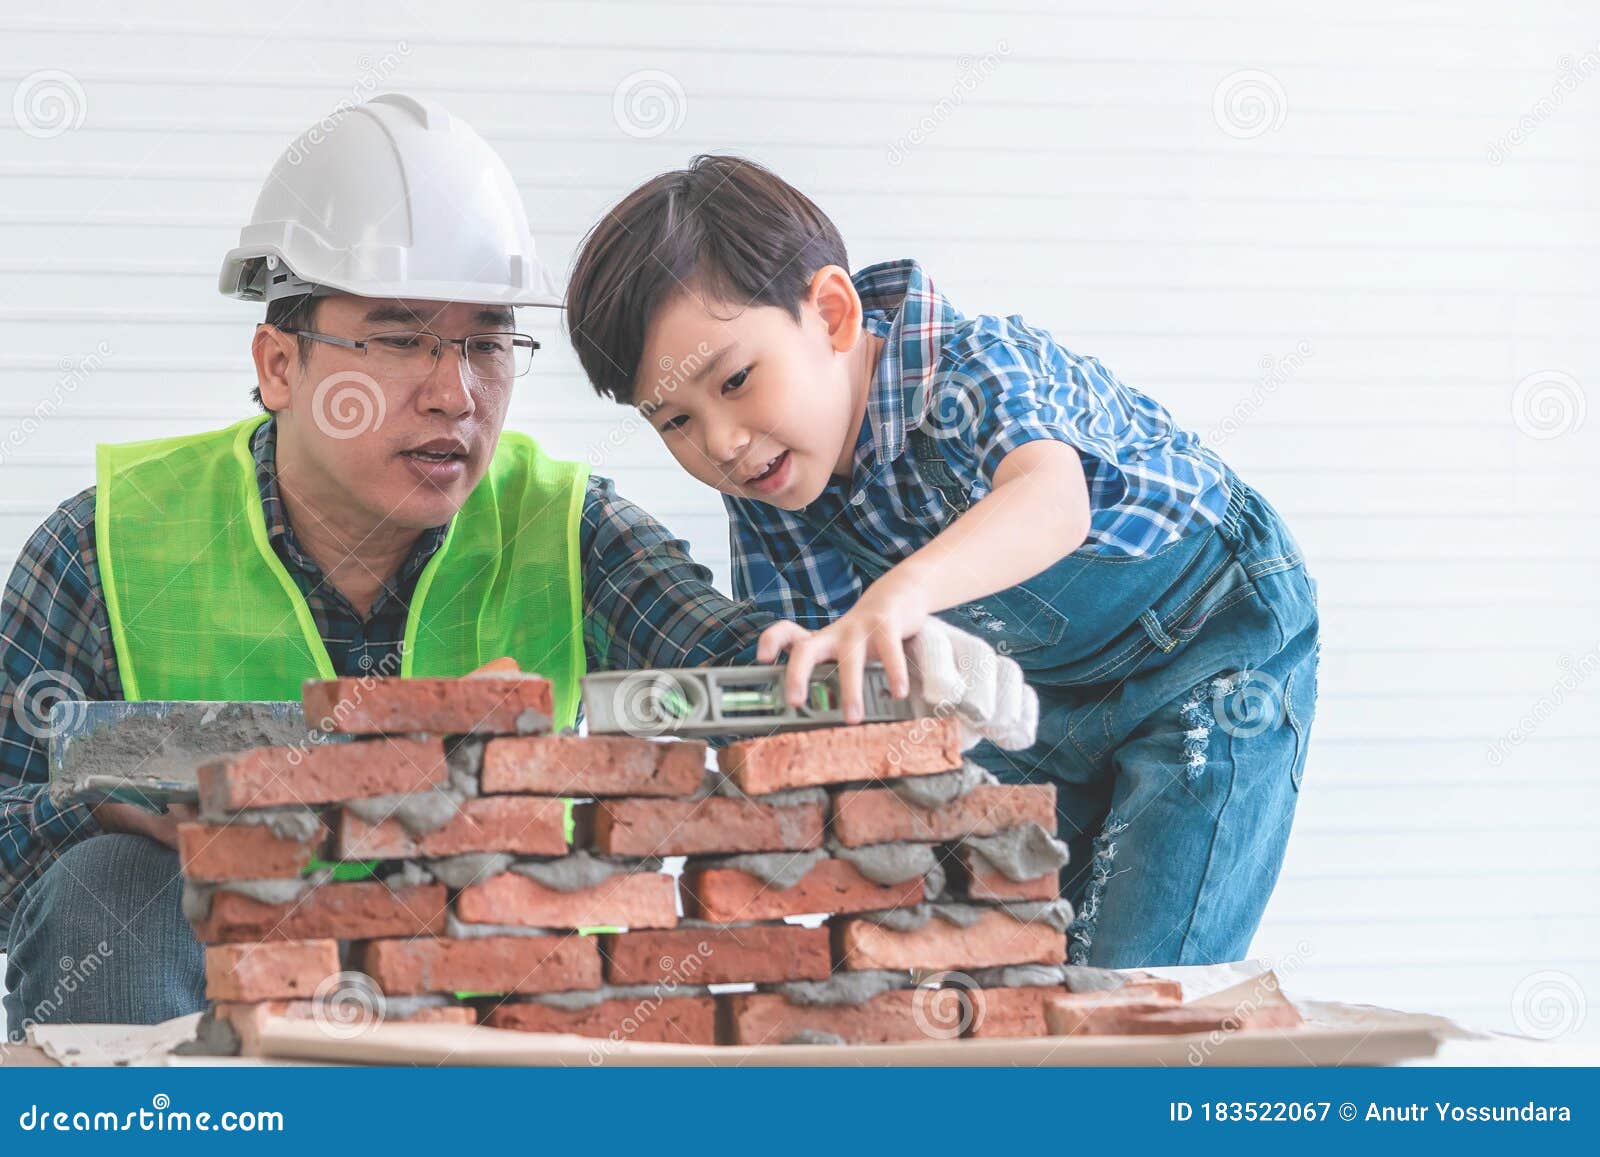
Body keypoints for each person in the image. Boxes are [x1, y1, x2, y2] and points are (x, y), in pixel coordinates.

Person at [0, 98, 1027, 1038]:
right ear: (280, 364)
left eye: (487, 344)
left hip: (485, 1015)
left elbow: (725, 667)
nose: (454, 392)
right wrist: (114, 798)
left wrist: (879, 680)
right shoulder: (111, 543)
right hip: (227, 1051)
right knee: (111, 885)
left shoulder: (567, 526)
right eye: (400, 340)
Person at [564, 154, 1322, 967]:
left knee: (1132, 988)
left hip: (1211, 651)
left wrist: (904, 593)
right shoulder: (773, 491)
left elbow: (1052, 498)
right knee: (998, 959)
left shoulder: (967, 368)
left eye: (738, 379)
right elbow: (836, 689)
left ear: (830, 313)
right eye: (674, 422)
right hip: (1037, 707)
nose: (722, 442)